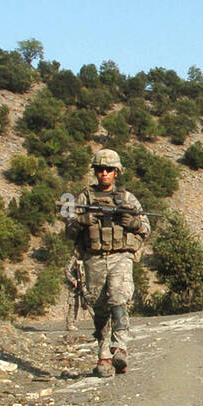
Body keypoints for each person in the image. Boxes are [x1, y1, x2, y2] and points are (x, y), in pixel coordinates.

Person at [64, 149, 151, 377]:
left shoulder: (127, 199)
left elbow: (146, 227)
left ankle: (120, 347)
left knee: (119, 299)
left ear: (116, 172)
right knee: (100, 308)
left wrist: (133, 223)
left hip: (120, 256)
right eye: (100, 169)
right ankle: (103, 355)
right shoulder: (84, 198)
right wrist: (81, 221)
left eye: (109, 170)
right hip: (93, 259)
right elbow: (69, 229)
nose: (104, 173)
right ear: (95, 171)